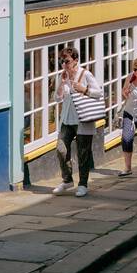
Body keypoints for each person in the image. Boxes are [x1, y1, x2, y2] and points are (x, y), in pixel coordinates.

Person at [53, 46, 103, 197]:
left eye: (67, 61)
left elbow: (99, 93)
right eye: (61, 61)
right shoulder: (62, 76)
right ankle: (67, 180)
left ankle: (83, 184)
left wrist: (84, 89)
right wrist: (62, 84)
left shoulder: (85, 74)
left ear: (75, 60)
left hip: (83, 119)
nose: (64, 64)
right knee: (61, 149)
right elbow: (57, 98)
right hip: (67, 120)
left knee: (83, 153)